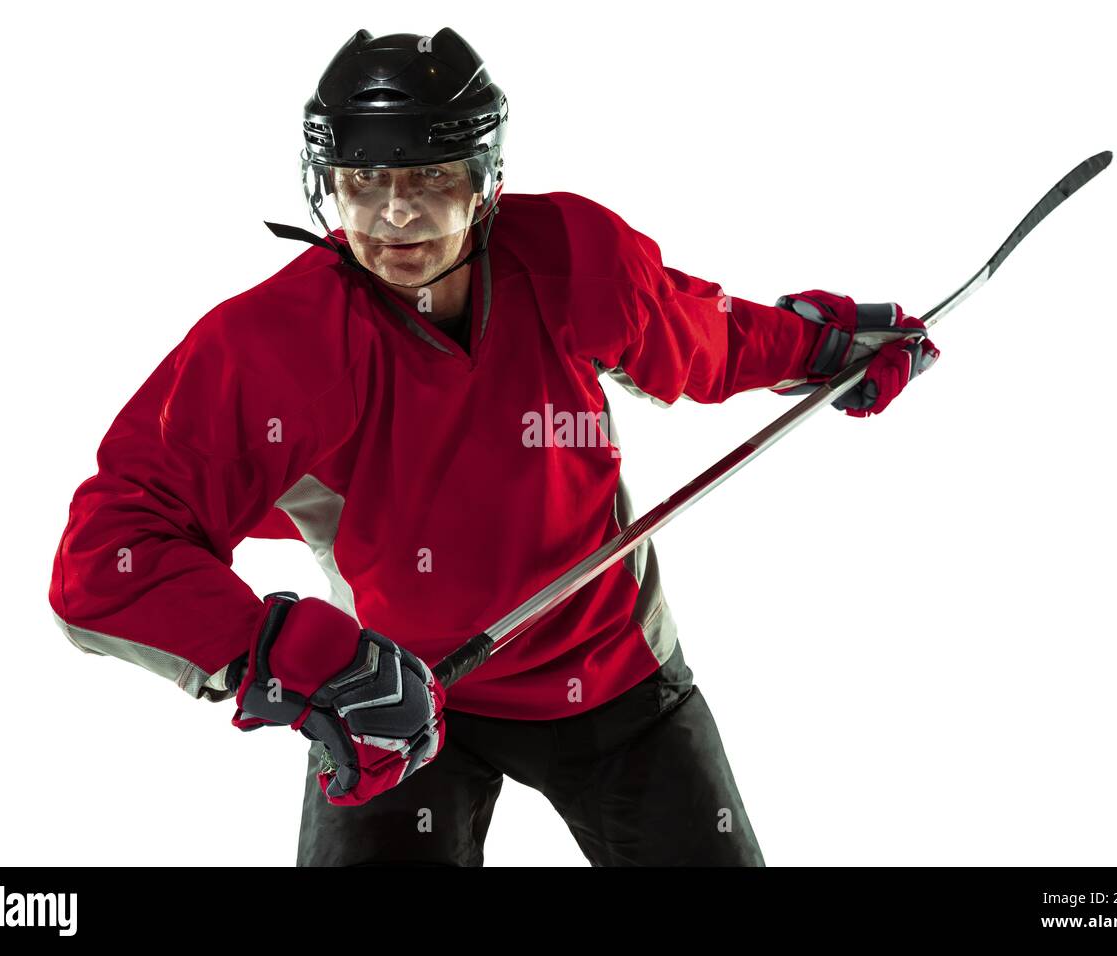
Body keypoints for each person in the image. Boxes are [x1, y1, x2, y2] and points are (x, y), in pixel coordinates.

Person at [49, 26, 939, 867]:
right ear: (326, 185)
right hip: (394, 695)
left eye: (430, 176)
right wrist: (294, 660)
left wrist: (821, 350)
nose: (395, 217)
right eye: (363, 180)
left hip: (609, 673)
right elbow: (107, 553)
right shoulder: (276, 344)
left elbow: (704, 342)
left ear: (485, 179)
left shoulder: (573, 256)